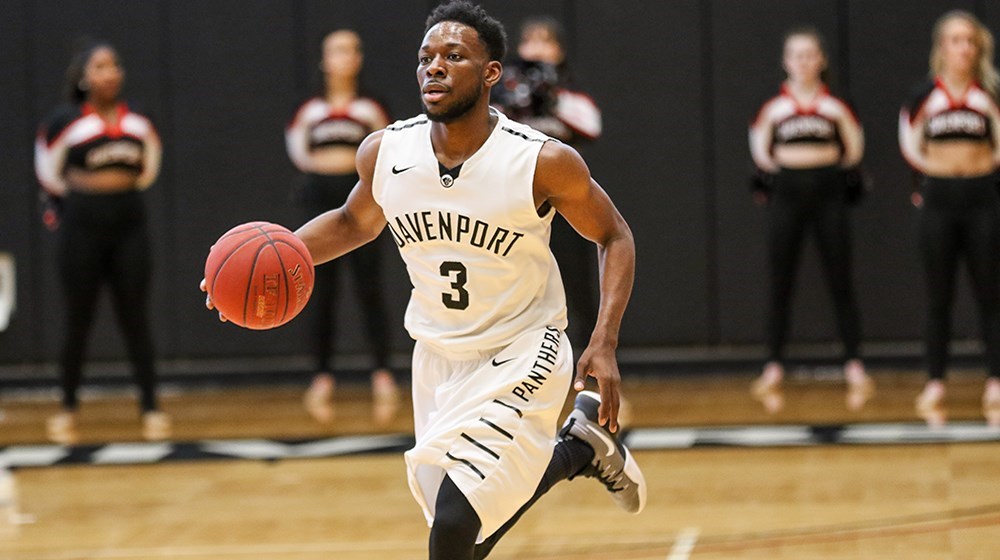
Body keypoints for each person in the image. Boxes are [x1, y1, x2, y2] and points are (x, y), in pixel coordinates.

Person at [204, 2, 644, 557]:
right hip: (437, 357)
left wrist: (603, 340)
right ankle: (579, 449)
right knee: (466, 533)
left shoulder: (540, 162)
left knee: (455, 525)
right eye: (425, 58)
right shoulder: (386, 151)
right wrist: (264, 266)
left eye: (453, 56)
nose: (434, 67)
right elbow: (350, 223)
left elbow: (615, 236)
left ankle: (578, 446)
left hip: (525, 347)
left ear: (490, 74)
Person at [34, 40, 169, 443]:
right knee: (79, 318)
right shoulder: (64, 123)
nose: (109, 72)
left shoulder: (139, 122)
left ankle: (151, 408)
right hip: (82, 224)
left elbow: (148, 170)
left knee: (136, 317)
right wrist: (80, 197)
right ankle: (68, 408)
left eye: (114, 64)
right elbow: (48, 174)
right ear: (83, 77)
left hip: (128, 220)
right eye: (99, 66)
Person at [748, 27, 873, 413]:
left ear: (821, 60)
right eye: (796, 55)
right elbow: (761, 151)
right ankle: (773, 366)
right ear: (786, 62)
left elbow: (853, 150)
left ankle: (854, 363)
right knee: (780, 279)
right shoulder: (774, 109)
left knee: (840, 277)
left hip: (828, 194)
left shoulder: (836, 107)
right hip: (787, 195)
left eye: (810, 55)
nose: (803, 62)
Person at [286, 29, 399, 424]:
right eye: (335, 49)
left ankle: (382, 373)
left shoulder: (371, 108)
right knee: (318, 291)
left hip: (363, 198)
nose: (344, 57)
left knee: (370, 289)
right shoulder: (309, 109)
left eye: (351, 49)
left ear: (359, 59)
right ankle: (321, 376)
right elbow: (299, 151)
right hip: (318, 195)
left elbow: (388, 151)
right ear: (324, 59)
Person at [899, 10, 1000, 428]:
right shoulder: (923, 95)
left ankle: (995, 379)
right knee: (938, 295)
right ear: (942, 47)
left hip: (982, 199)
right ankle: (935, 380)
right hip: (939, 199)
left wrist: (980, 169)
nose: (964, 48)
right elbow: (909, 145)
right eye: (956, 40)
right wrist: (937, 173)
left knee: (991, 295)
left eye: (970, 41)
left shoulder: (989, 95)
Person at [491, 16, 602, 354]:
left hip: (565, 203)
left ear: (560, 50)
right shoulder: (507, 92)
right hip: (516, 204)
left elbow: (591, 127)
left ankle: (591, 372)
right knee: (513, 289)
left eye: (546, 41)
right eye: (530, 41)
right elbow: (488, 131)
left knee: (577, 289)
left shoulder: (571, 94)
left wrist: (551, 97)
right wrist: (519, 97)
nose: (537, 48)